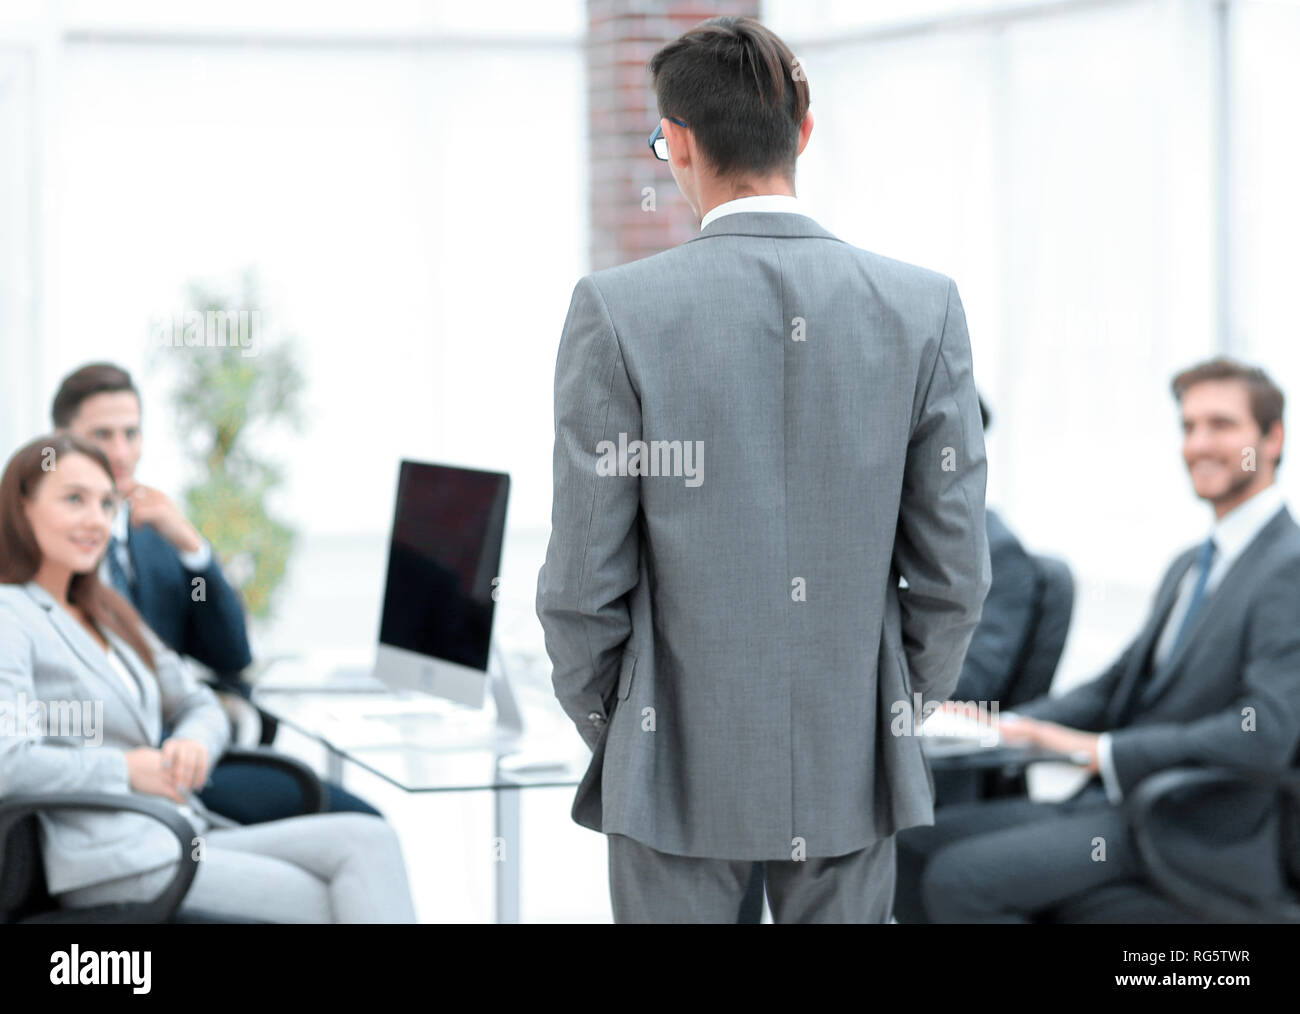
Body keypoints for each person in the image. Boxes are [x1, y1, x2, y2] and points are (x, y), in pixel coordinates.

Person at [536, 16, 990, 923]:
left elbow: (584, 584)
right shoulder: (923, 308)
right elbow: (954, 578)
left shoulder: (618, 311)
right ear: (805, 133)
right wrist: (884, 707)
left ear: (683, 143)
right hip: (851, 759)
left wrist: (624, 723)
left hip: (672, 762)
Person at [895, 357, 1300, 922]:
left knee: (961, 881)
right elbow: (1115, 687)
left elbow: (1266, 732)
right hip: (1123, 805)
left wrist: (1098, 751)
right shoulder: (1193, 563)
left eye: (1221, 425)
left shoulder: (1288, 566)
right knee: (910, 847)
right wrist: (1011, 726)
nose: (1199, 443)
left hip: (1199, 827)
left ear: (1272, 438)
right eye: (1188, 427)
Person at [0, 433, 416, 922]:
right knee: (340, 902)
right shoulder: (13, 616)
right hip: (115, 859)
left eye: (106, 503)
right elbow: (9, 761)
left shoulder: (106, 610)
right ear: (22, 507)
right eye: (74, 499)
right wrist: (127, 770)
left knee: (369, 840)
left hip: (181, 831)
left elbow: (198, 701)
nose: (96, 519)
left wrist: (195, 742)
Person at [51, 362, 379, 821]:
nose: (121, 452)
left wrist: (193, 550)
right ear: (61, 441)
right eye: (102, 435)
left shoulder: (155, 540)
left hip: (188, 758)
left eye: (132, 434)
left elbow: (232, 655)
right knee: (348, 831)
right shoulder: (46, 559)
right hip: (113, 782)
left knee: (357, 822)